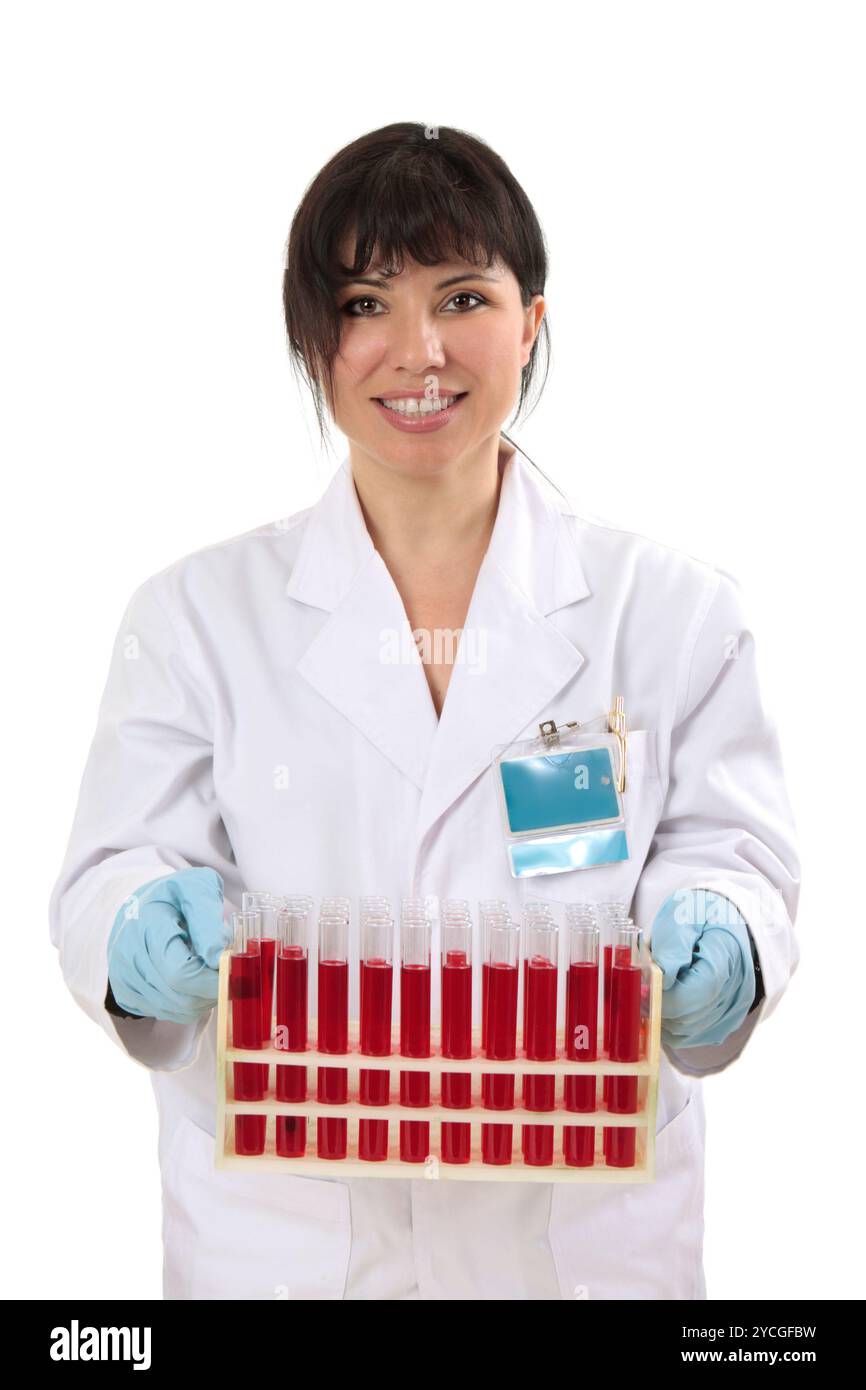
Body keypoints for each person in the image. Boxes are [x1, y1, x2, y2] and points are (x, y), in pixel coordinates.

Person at [49, 122, 800, 1300]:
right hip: (284, 1248)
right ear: (310, 342)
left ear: (531, 323)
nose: (418, 351)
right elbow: (109, 873)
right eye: (362, 303)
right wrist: (139, 928)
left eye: (461, 297)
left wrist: (720, 922)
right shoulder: (196, 614)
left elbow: (730, 846)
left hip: (578, 1249)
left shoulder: (669, 612)